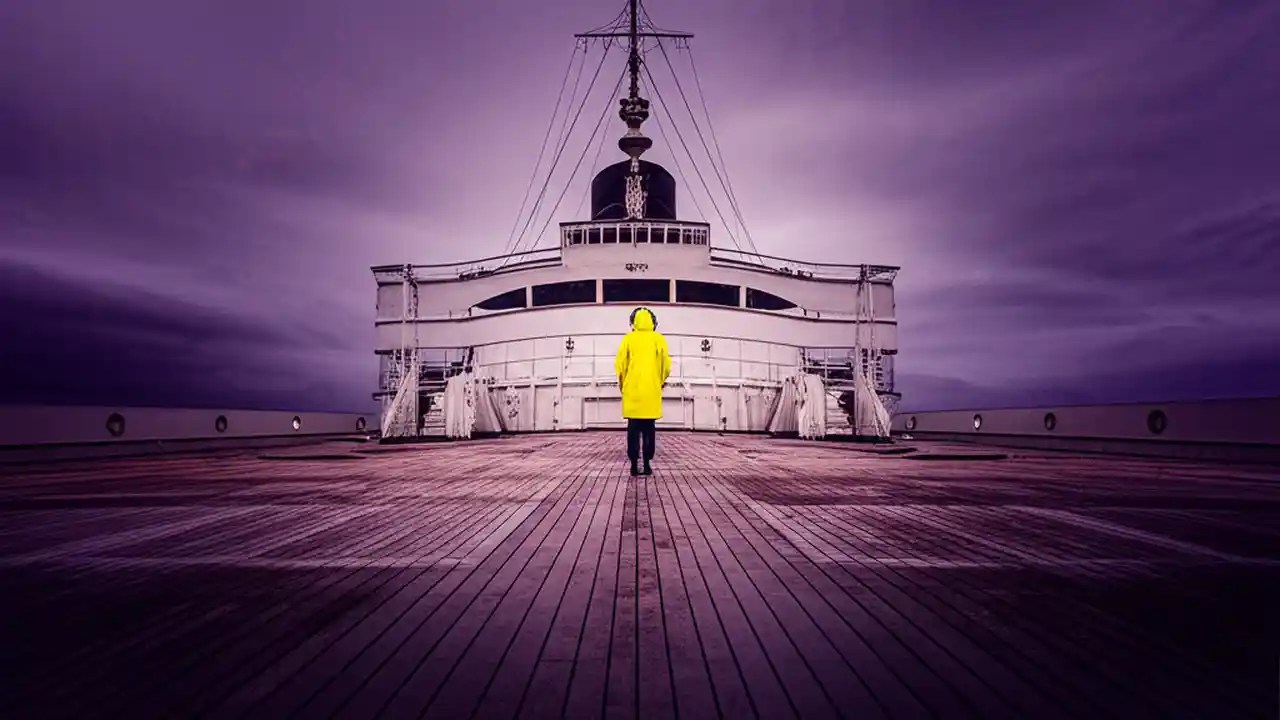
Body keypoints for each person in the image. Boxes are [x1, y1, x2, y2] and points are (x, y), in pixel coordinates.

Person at [615, 306, 671, 476]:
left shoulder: (628, 339)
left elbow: (620, 366)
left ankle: (633, 465)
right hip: (651, 392)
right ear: (653, 322)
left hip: (632, 392)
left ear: (633, 321)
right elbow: (666, 366)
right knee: (649, 430)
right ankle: (647, 464)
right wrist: (658, 382)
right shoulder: (658, 339)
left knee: (632, 430)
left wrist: (623, 385)